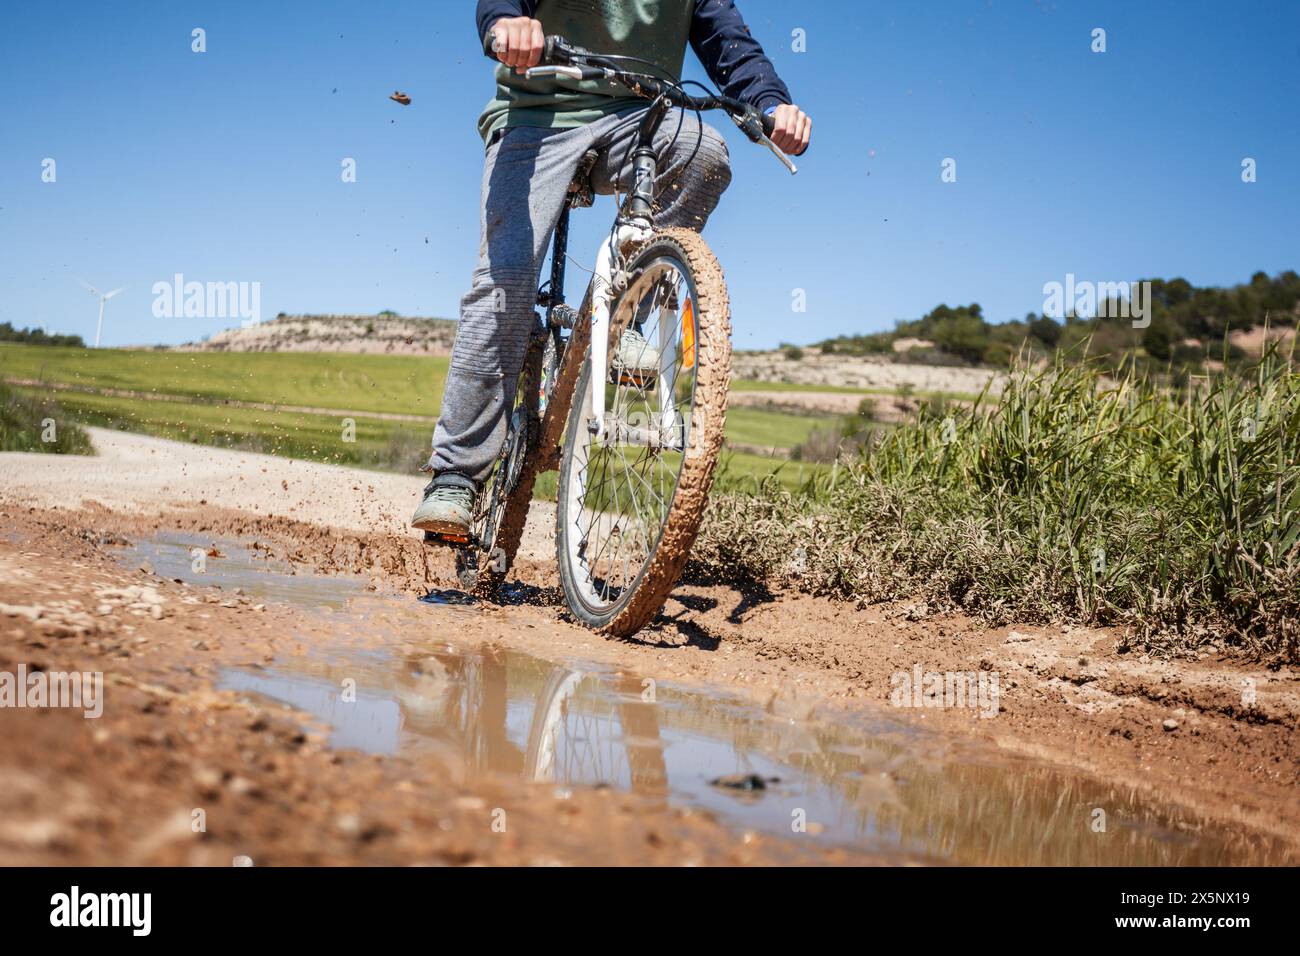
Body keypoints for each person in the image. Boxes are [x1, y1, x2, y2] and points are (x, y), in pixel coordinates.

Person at [412, 0, 811, 535]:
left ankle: (623, 319)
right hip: (539, 113)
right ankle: (456, 474)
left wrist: (770, 102)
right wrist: (507, 24)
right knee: (505, 281)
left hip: (641, 117)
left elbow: (730, 46)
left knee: (705, 153)